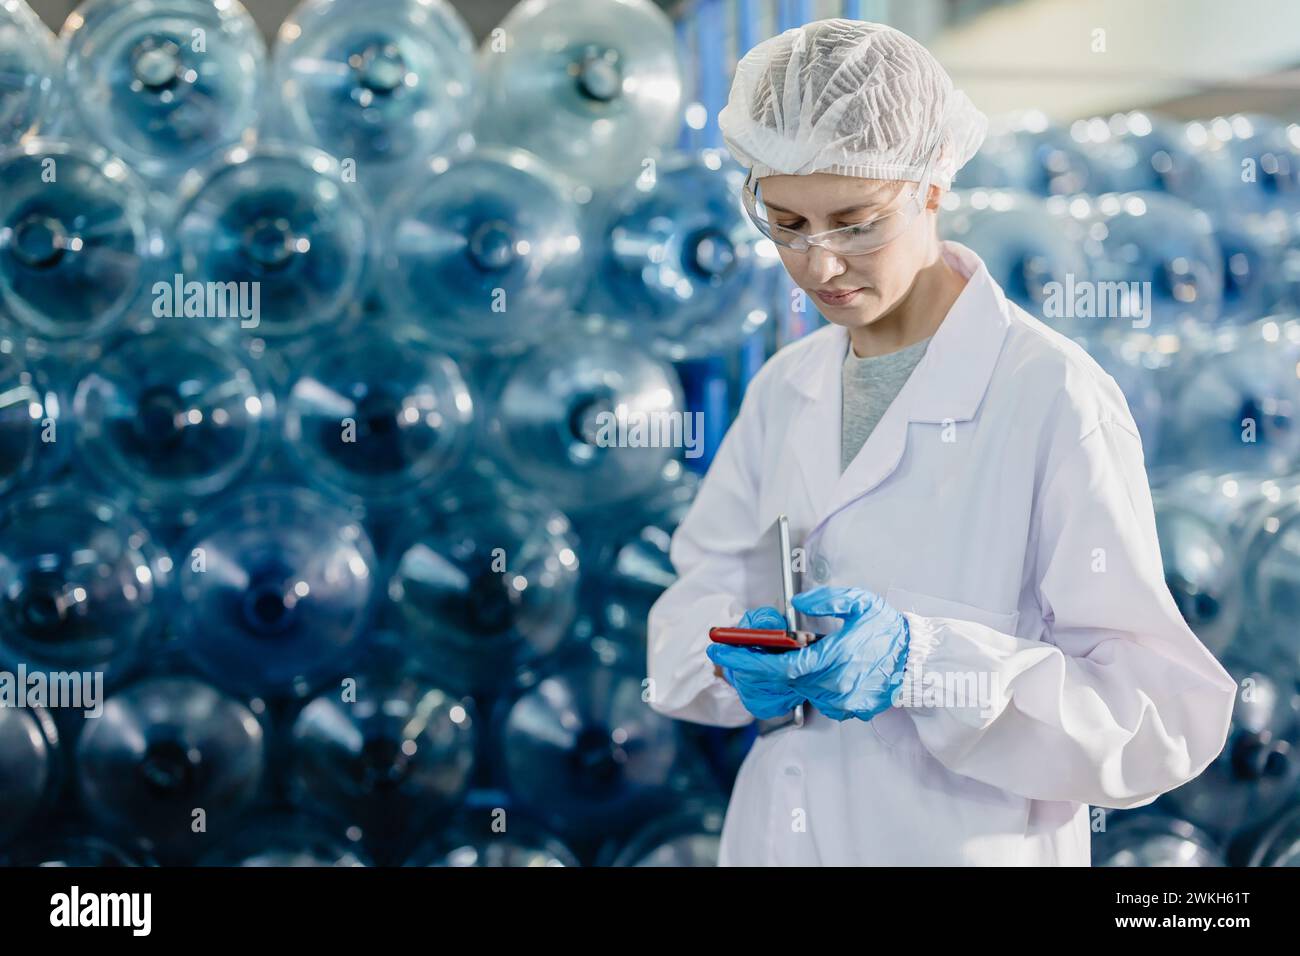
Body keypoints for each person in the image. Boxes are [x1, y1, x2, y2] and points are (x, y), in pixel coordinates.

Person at [645, 18, 1237, 866]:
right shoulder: (788, 386)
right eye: (787, 224)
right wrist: (735, 653)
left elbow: (1156, 718)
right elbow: (683, 619)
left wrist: (925, 663)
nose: (819, 266)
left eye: (855, 223)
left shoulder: (1051, 395)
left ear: (930, 187)